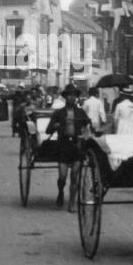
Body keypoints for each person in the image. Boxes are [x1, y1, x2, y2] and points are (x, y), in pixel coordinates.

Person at [45, 82, 92, 211]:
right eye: (70, 95)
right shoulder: (59, 113)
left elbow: (88, 123)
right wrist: (55, 126)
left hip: (76, 146)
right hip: (63, 146)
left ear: (76, 97)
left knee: (75, 176)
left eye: (74, 96)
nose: (72, 98)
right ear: (65, 97)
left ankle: (72, 203)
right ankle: (60, 191)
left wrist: (88, 130)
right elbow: (48, 130)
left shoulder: (81, 112)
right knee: (62, 177)